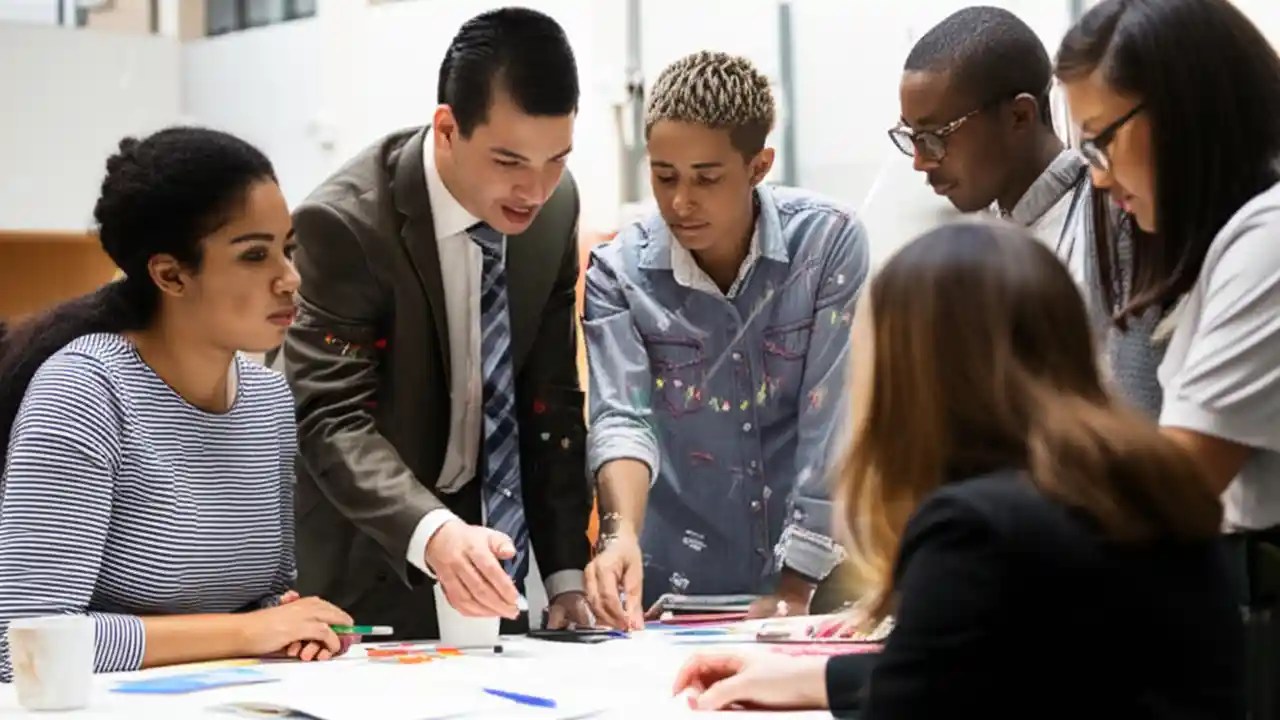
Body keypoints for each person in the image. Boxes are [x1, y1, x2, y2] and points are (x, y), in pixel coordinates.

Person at [672, 221, 1244, 716]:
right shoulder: (1141, 488)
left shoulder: (977, 530)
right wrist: (804, 680)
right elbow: (991, 673)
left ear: (912, 375)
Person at [271, 7, 592, 639]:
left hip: (490, 564)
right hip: (365, 559)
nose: (534, 189)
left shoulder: (556, 210)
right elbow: (330, 418)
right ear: (447, 129)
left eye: (556, 159)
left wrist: (566, 577)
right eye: (509, 162)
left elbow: (550, 399)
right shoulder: (345, 226)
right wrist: (434, 532)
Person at [0, 128, 354, 682]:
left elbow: (262, 599)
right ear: (170, 274)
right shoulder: (85, 391)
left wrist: (290, 626)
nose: (290, 279)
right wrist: (245, 633)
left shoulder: (267, 399)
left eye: (288, 248)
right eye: (255, 255)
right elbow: (21, 637)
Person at [582, 51, 869, 629]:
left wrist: (796, 588)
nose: (680, 202)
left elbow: (833, 423)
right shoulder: (618, 273)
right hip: (677, 597)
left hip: (823, 589)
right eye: (664, 176)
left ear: (759, 165)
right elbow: (623, 418)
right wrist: (618, 536)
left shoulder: (827, 246)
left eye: (707, 178)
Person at [1057, 1, 1280, 711]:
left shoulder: (1268, 240)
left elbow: (1174, 486)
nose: (1097, 177)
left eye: (1101, 141)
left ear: (1186, 108)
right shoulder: (1231, 239)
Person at [889, 5, 1164, 417]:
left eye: (933, 137)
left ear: (1019, 116)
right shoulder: (985, 240)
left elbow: (1136, 418)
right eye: (911, 137)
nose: (921, 161)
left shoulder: (1117, 217)